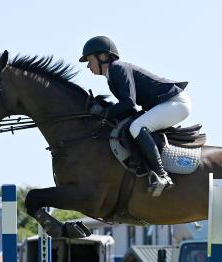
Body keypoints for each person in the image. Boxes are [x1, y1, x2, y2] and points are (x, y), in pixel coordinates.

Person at [80, 36, 191, 197]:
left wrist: (103, 112)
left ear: (103, 57)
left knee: (137, 127)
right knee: (132, 126)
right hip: (165, 104)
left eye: (90, 60)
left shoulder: (117, 68)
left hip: (176, 103)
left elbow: (129, 103)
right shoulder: (111, 78)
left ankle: (162, 175)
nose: (88, 66)